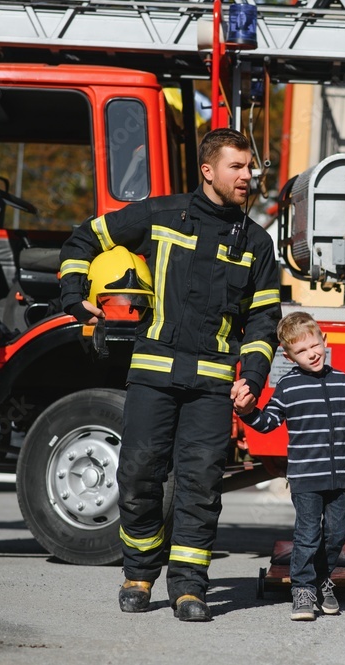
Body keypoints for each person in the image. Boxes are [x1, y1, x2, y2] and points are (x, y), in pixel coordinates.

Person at [58, 128, 281, 622]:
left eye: (250, 167)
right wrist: (74, 297)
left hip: (213, 386)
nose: (247, 176)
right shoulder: (159, 215)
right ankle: (138, 575)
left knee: (200, 486)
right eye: (237, 167)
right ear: (208, 170)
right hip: (153, 375)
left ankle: (189, 587)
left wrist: (253, 375)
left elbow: (265, 318)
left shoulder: (257, 242)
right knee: (138, 475)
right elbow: (85, 237)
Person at [233, 311, 345, 621]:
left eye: (314, 346)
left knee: (337, 533)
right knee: (308, 535)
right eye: (301, 351)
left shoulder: (342, 381)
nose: (311, 354)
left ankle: (322, 579)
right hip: (306, 477)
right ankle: (303, 589)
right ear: (288, 356)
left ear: (325, 340)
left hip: (339, 476)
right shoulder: (288, 386)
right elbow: (269, 422)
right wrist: (247, 412)